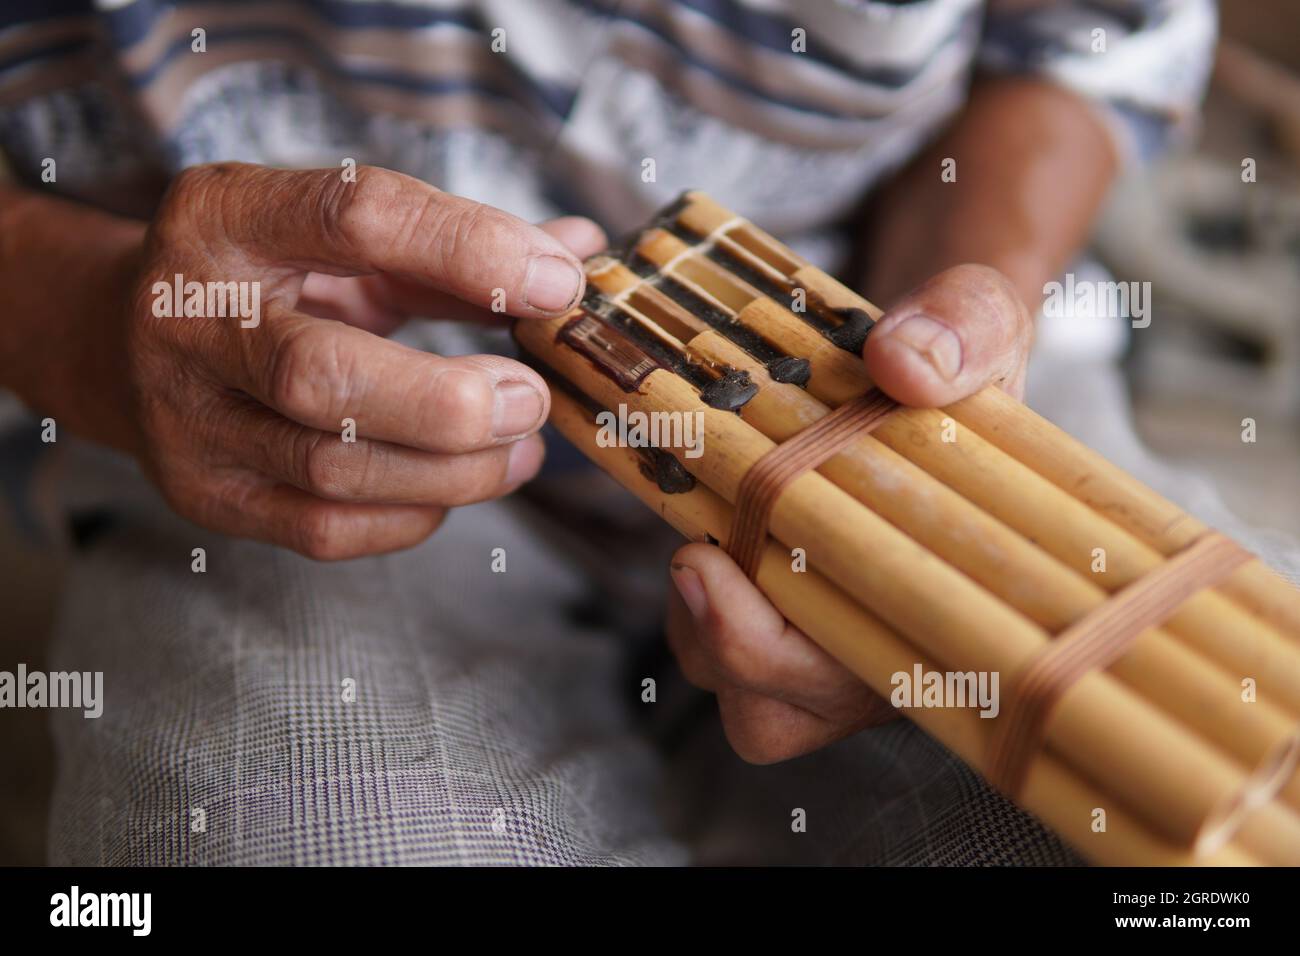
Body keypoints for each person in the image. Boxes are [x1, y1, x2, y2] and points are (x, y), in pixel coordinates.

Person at [0, 0, 1227, 864]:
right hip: (274, 389)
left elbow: (1082, 42)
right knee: (305, 833)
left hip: (902, 356)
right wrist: (72, 307)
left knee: (1179, 762)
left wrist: (962, 294)